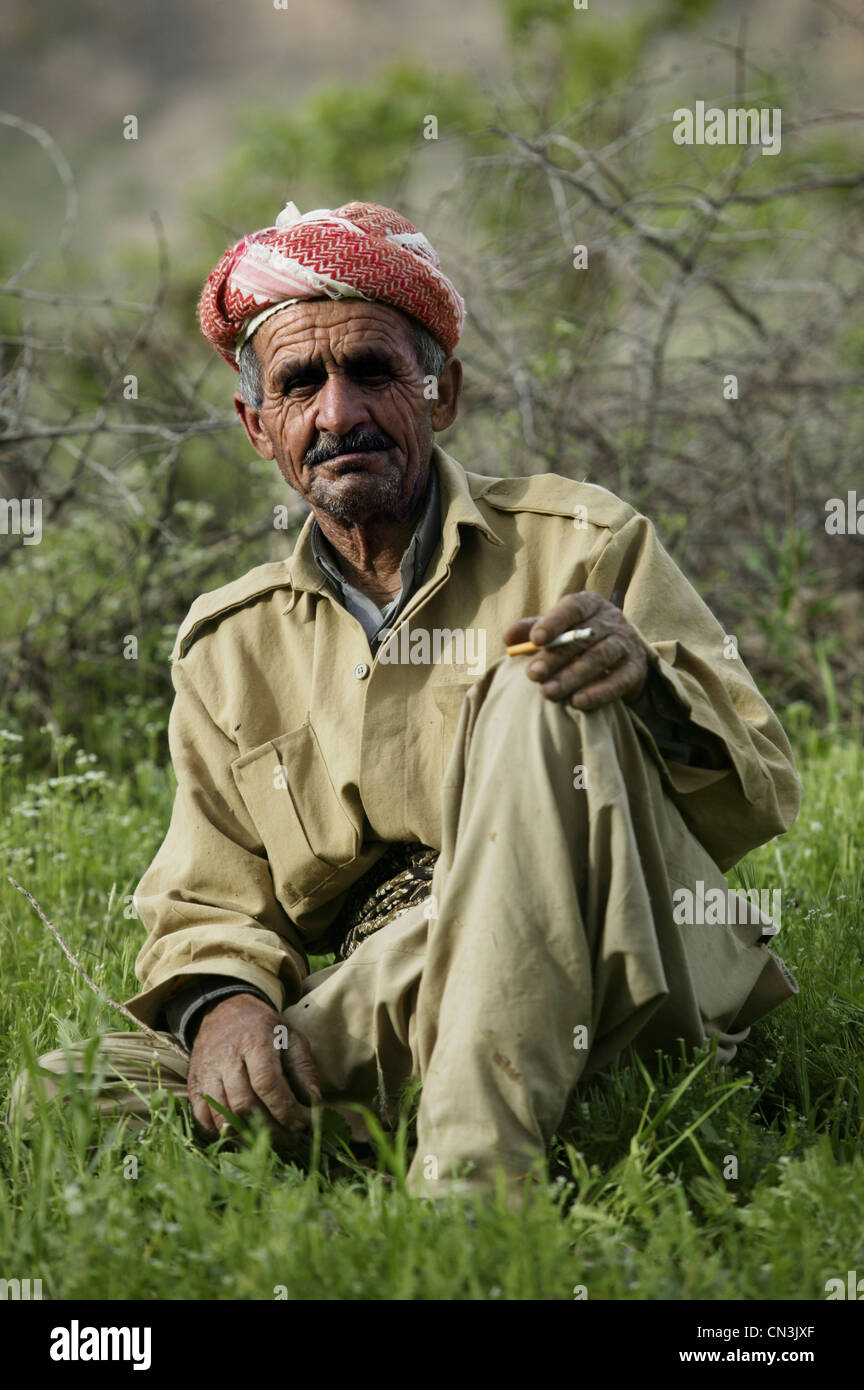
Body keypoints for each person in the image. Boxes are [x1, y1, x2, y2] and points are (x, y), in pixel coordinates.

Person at [15, 200, 801, 1199]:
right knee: (66, 1094)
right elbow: (206, 900)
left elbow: (763, 788)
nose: (338, 414)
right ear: (259, 428)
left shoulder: (582, 542)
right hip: (392, 982)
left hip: (623, 950)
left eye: (373, 372)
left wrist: (645, 684)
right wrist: (225, 1013)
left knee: (540, 679)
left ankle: (472, 1197)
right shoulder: (229, 643)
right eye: (300, 384)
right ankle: (398, 1109)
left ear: (441, 392)